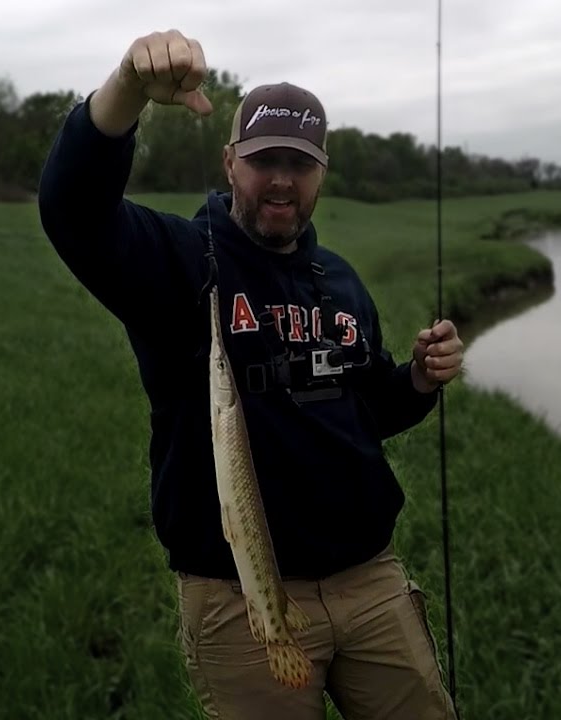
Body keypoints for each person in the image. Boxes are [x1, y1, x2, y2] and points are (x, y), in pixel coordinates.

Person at [36, 29, 463, 720]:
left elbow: (367, 413)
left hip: (371, 582)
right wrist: (126, 91)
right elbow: (73, 210)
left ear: (321, 173)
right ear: (231, 162)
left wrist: (416, 379)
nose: (282, 179)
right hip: (238, 595)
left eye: (300, 163)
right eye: (265, 160)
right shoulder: (180, 262)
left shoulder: (340, 281)